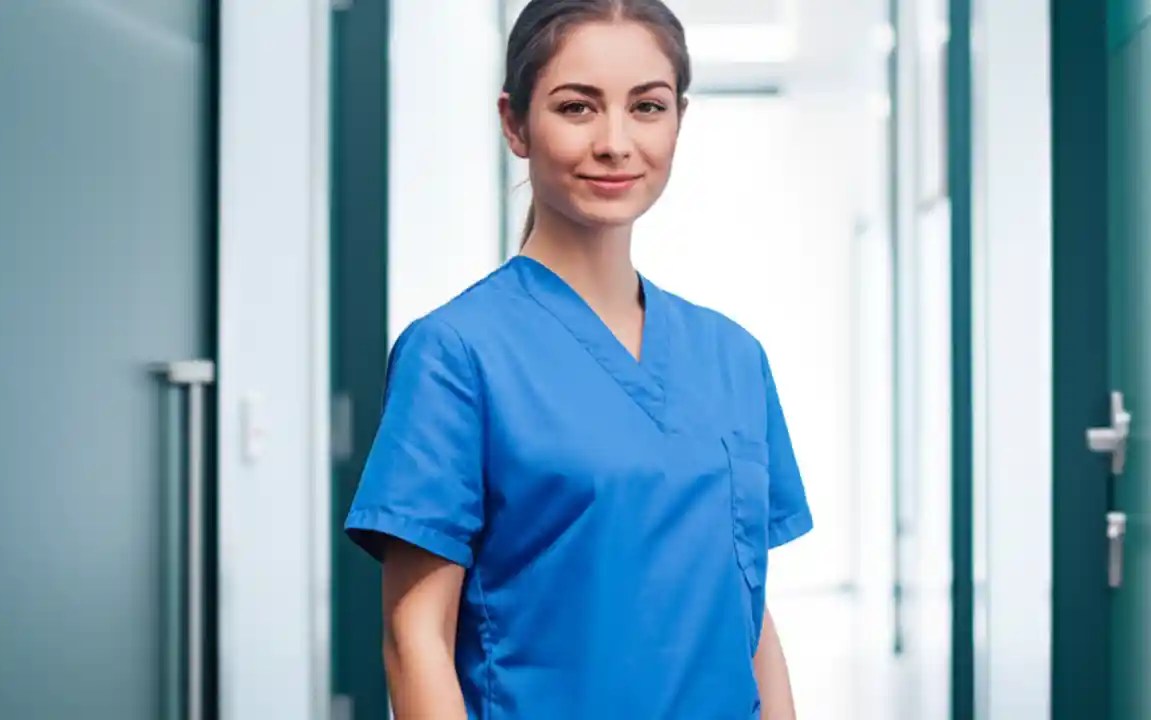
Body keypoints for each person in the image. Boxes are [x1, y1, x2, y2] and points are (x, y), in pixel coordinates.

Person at [344, 1, 813, 717]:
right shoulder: (457, 353)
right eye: (577, 107)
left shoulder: (732, 355)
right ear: (515, 124)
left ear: (678, 121)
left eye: (648, 107)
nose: (616, 142)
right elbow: (415, 636)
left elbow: (746, 618)